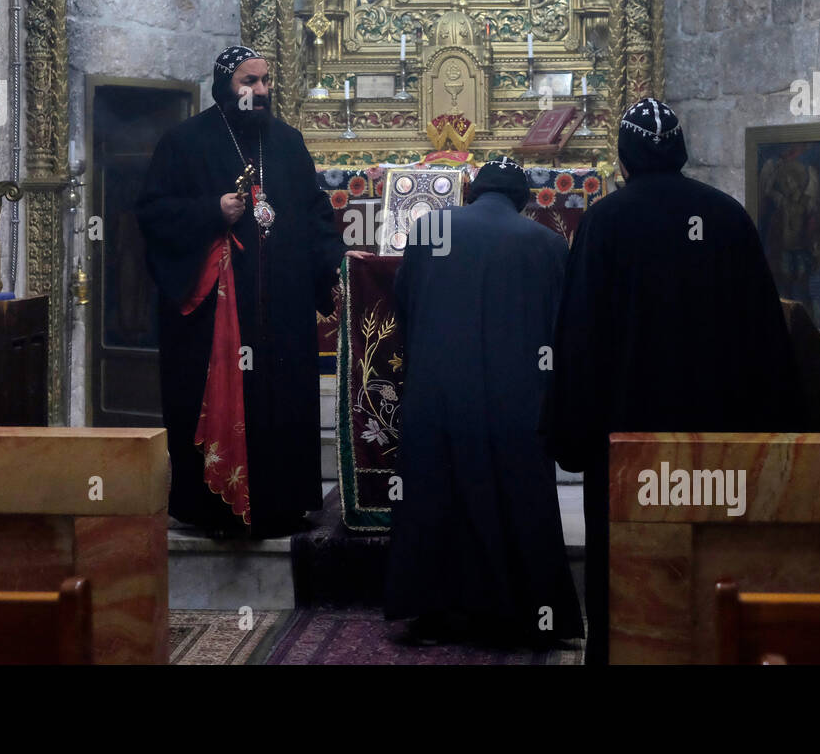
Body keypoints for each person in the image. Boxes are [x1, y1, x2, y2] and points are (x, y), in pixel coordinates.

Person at [544, 97, 804, 664]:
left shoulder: (605, 222)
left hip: (627, 440)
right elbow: (764, 333)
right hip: (715, 438)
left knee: (628, 572)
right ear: (681, 151)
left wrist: (573, 435)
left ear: (624, 156)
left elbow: (580, 337)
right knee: (711, 563)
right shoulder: (727, 216)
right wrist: (775, 431)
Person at [137, 46, 363, 538]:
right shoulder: (183, 142)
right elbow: (152, 216)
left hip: (282, 311)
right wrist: (211, 211)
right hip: (212, 323)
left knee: (282, 404)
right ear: (224, 86)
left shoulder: (286, 142)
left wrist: (338, 265)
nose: (260, 92)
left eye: (265, 82)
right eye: (249, 82)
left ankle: (282, 505)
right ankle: (211, 509)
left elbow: (315, 217)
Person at [385, 157, 583, 647]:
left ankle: (433, 613)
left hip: (437, 394)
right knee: (513, 500)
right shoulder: (547, 243)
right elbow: (562, 327)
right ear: (522, 198)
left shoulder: (429, 227)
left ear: (471, 191)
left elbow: (404, 303)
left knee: (437, 497)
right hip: (514, 399)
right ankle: (520, 617)